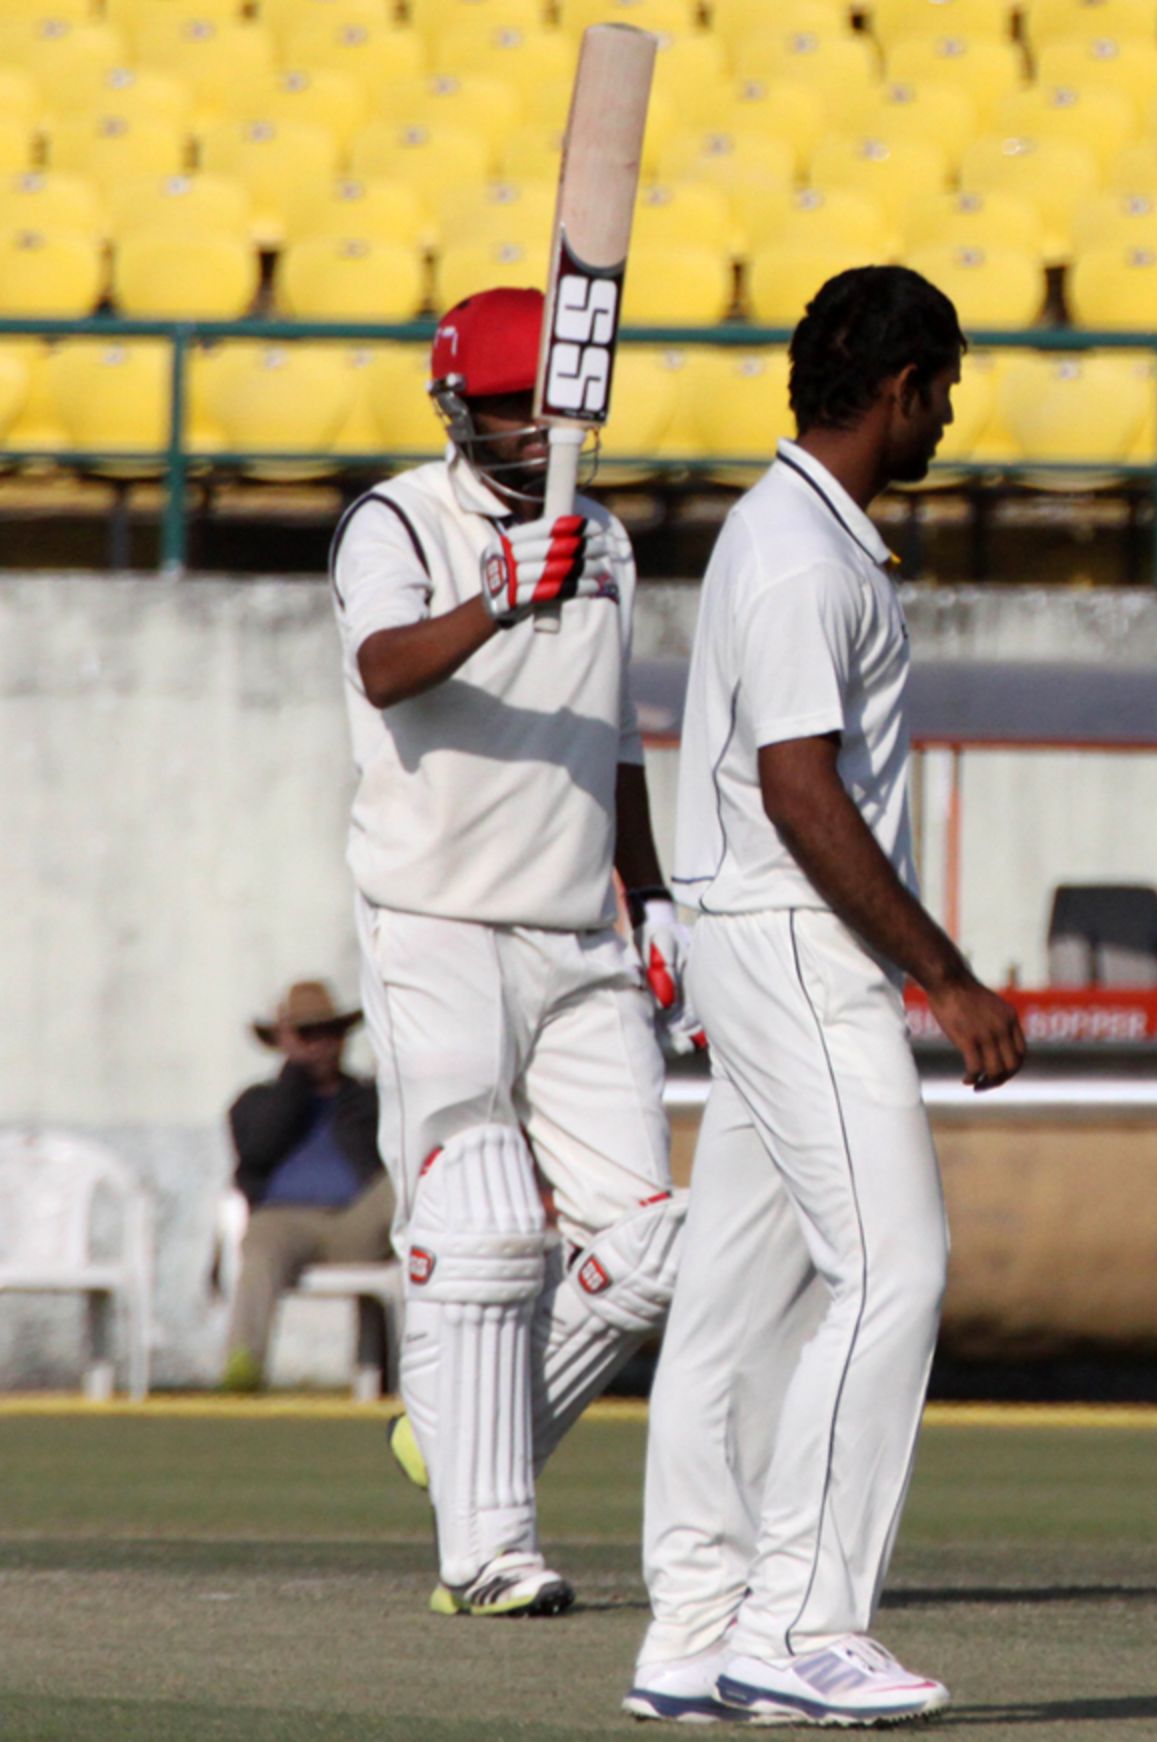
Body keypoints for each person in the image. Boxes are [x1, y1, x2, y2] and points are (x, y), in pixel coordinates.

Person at [625, 267, 1026, 1725]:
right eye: (947, 387)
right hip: (799, 943)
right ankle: (800, 1620)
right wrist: (949, 975)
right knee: (893, 1269)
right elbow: (800, 790)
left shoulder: (797, 531)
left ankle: (692, 1620)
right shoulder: (800, 552)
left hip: (757, 939)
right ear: (904, 384)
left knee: (735, 1296)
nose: (952, 415)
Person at [328, 286, 700, 1619]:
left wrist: (650, 898)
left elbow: (608, 732)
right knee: (485, 1224)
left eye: (553, 404)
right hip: (438, 920)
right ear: (456, 408)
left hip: (578, 924)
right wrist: (495, 595)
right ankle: (489, 1554)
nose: (537, 429)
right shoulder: (395, 522)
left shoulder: (603, 538)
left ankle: (462, 1433)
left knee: (657, 1246)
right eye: (508, 407)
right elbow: (381, 665)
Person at [222, 979, 394, 1393]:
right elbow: (258, 1149)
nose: (319, 1044)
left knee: (415, 1186)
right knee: (261, 1240)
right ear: (284, 1041)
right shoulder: (257, 1101)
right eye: (306, 1033)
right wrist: (295, 1076)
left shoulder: (369, 1099)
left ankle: (417, 1370)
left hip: (357, 1223)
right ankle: (243, 1366)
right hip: (286, 1221)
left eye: (329, 1032)